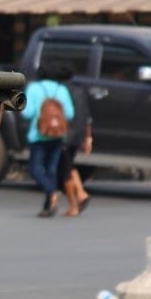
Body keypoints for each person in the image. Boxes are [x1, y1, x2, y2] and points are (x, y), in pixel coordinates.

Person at [24, 64, 75, 217]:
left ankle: (52, 192)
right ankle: (49, 204)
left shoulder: (34, 88)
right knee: (51, 169)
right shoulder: (62, 89)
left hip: (39, 134)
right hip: (58, 135)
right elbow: (70, 114)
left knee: (35, 168)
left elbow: (27, 112)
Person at [57, 78, 93, 217]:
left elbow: (66, 113)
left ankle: (73, 205)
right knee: (69, 165)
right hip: (79, 134)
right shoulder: (79, 91)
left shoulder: (60, 90)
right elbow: (87, 117)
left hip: (66, 135)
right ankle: (81, 193)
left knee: (65, 171)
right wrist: (88, 137)